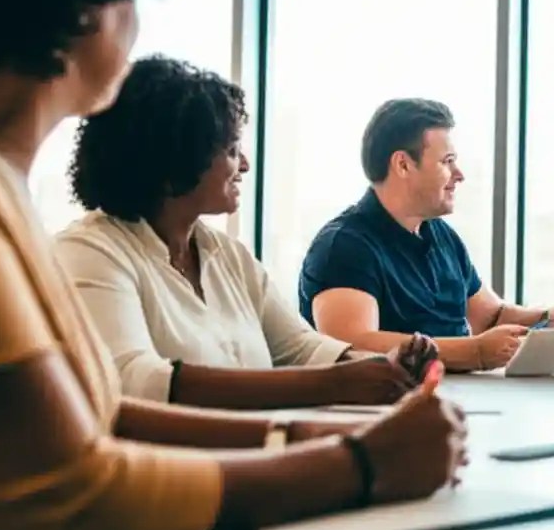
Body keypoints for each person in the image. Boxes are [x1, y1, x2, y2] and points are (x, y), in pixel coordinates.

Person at [0, 0, 464, 530]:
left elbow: (96, 414)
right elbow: (72, 501)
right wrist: (360, 463)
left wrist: (310, 432)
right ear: (82, 1)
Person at [54, 56, 435, 408]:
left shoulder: (226, 254)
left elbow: (300, 348)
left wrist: (383, 365)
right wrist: (335, 384)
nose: (246, 165)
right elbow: (133, 380)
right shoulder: (90, 252)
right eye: (232, 149)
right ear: (175, 159)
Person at [298, 98, 554, 371]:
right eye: (447, 161)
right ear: (403, 164)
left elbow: (490, 317)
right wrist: (474, 352)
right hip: (396, 403)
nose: (459, 174)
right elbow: (351, 345)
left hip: (462, 394)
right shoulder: (343, 246)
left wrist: (545, 319)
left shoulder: (441, 235)